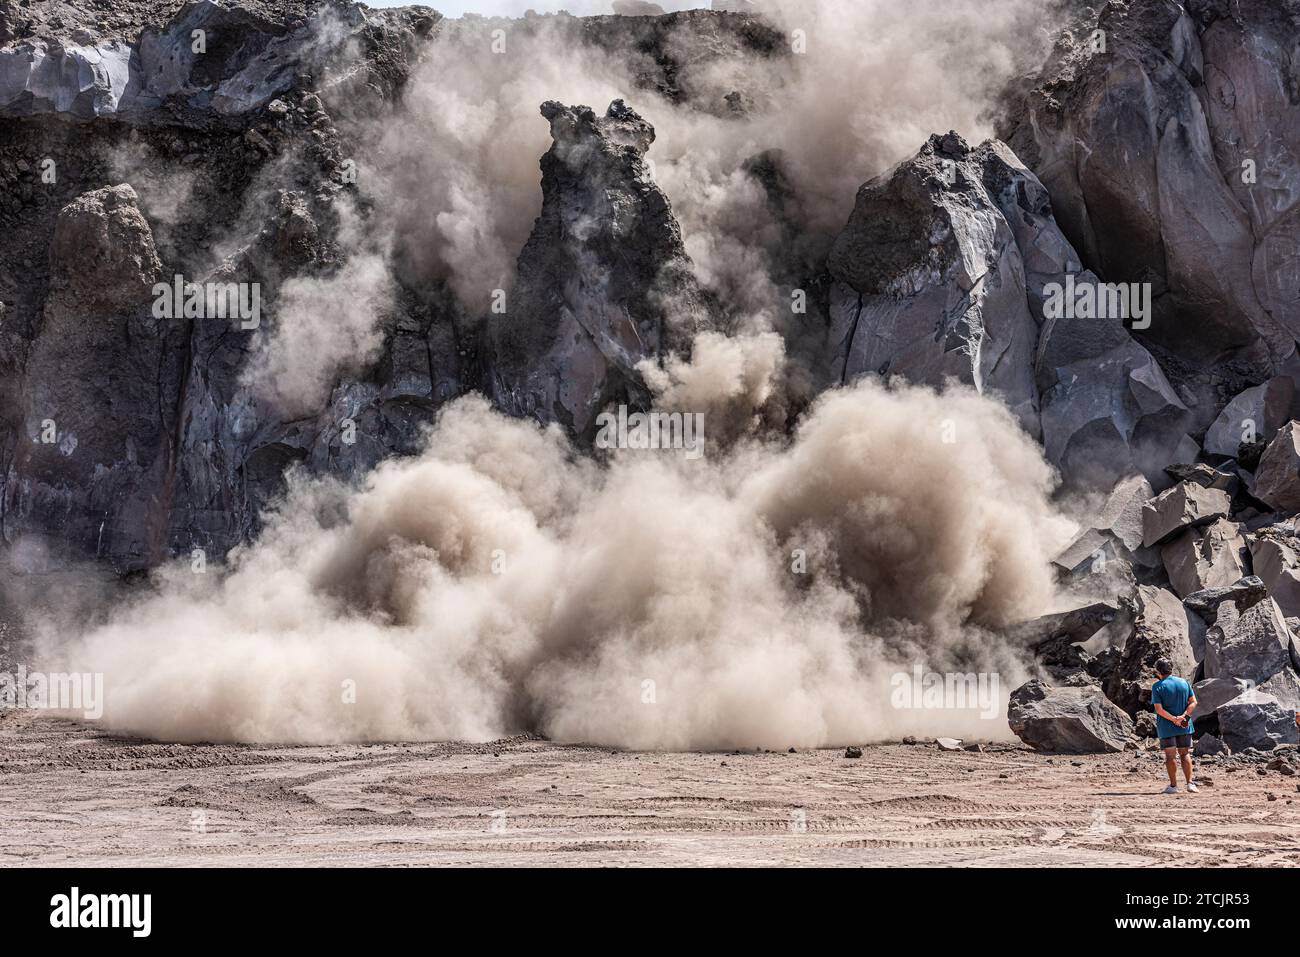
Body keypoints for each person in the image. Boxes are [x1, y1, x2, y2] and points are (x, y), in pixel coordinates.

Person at [1150, 658, 1198, 794]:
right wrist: (1184, 717)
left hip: (1166, 726)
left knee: (1170, 756)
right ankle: (1190, 784)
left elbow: (1159, 710)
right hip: (1184, 725)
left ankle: (1173, 786)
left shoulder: (1157, 686)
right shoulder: (1184, 683)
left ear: (1158, 671)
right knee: (1185, 754)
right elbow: (1193, 702)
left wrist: (1173, 719)